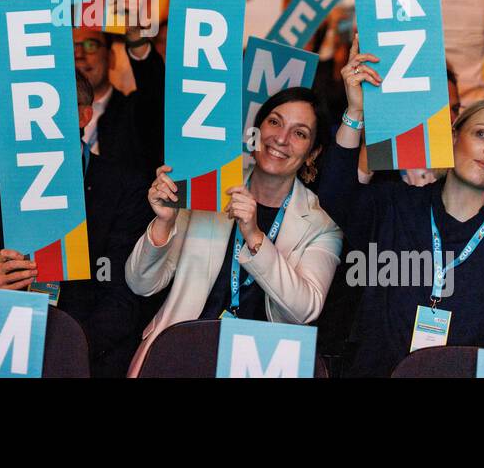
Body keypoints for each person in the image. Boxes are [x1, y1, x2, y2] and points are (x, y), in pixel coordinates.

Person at [321, 44, 484, 376]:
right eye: (482, 134)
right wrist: (355, 112)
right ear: (453, 136)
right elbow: (334, 194)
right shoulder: (396, 205)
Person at [126, 87, 343, 377]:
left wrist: (255, 237)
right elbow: (141, 283)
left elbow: (304, 310)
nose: (280, 139)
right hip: (179, 354)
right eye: (275, 122)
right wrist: (164, 221)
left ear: (312, 153)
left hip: (261, 365)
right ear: (255, 130)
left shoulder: (321, 223)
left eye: (299, 133)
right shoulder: (209, 187)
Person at [0, 72, 151, 377]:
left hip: (85, 354)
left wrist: (66, 350)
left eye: (49, 106)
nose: (38, 117)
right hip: (1, 345)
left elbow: (122, 298)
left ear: (83, 116)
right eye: (30, 106)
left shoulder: (122, 187)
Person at [77, 0, 166, 177]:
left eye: (90, 45)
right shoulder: (49, 116)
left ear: (111, 57)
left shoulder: (135, 111)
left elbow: (154, 85)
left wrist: (134, 33)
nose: (79, 54)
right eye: (72, 47)